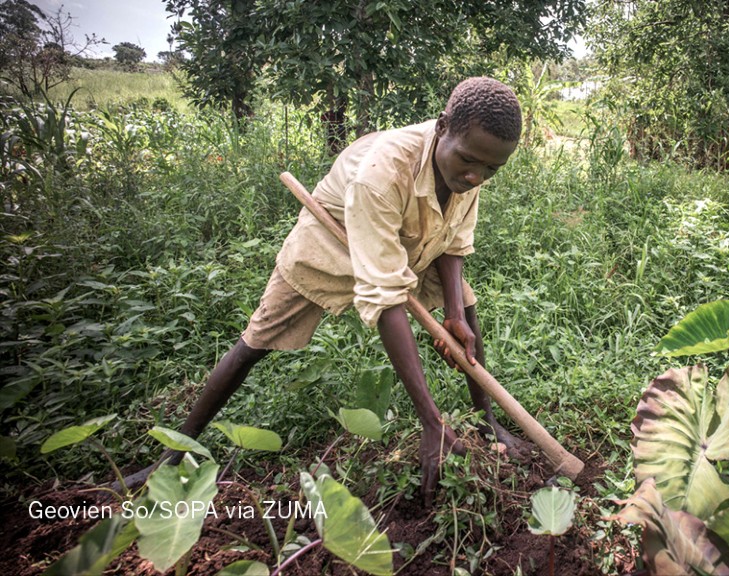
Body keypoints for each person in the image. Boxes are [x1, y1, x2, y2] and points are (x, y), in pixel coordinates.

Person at [119, 77, 525, 504]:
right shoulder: (382, 173)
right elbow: (386, 300)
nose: (476, 176)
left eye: (490, 169)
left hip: (407, 240)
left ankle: (486, 422)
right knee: (254, 343)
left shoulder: (468, 163)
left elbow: (453, 241)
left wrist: (454, 314)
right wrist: (431, 422)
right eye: (468, 161)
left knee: (467, 311)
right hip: (330, 241)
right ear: (442, 127)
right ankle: (171, 457)